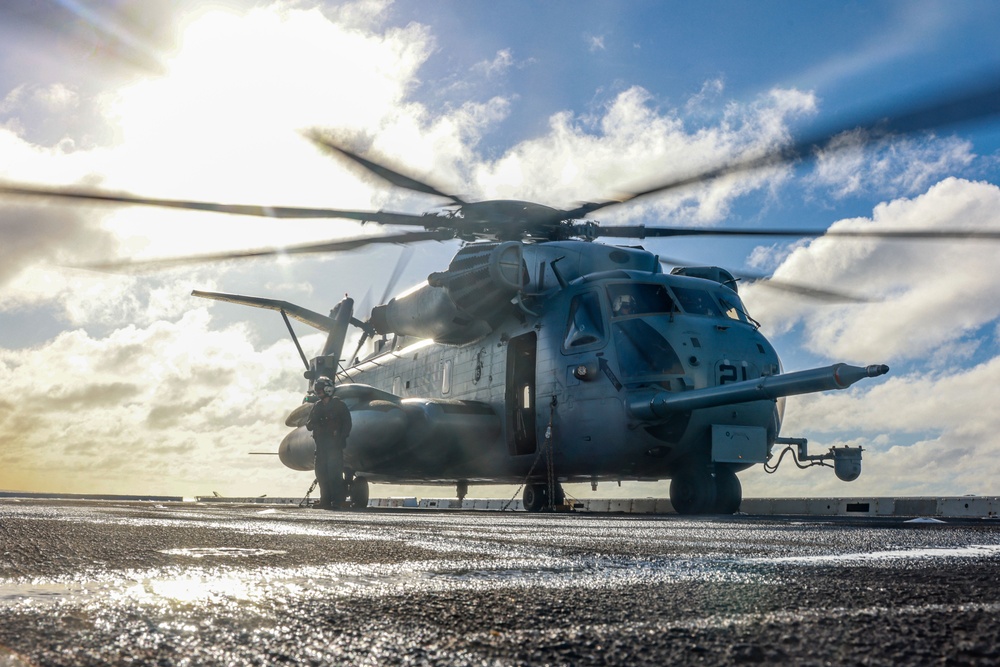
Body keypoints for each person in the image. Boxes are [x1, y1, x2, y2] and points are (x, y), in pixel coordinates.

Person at [305, 376, 352, 509]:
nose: (318, 392)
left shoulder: (339, 405)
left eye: (320, 389)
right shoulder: (317, 406)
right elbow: (309, 425)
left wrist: (341, 438)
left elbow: (347, 424)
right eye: (317, 390)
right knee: (321, 473)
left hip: (334, 446)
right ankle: (325, 500)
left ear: (328, 389)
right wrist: (314, 422)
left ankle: (338, 500)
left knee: (334, 473)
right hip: (321, 446)